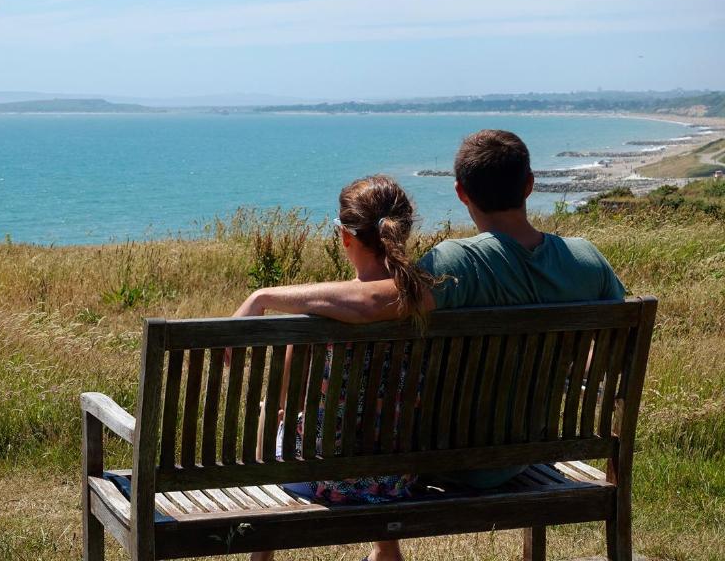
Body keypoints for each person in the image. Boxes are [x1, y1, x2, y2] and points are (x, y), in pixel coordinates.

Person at [235, 130, 626, 561]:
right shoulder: (588, 260)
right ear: (530, 184)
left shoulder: (459, 263)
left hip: (457, 463)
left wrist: (265, 295)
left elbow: (370, 302)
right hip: (534, 451)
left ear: (460, 193)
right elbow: (610, 357)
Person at [240, 175, 434, 561]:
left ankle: (261, 554)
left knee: (269, 410)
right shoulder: (427, 300)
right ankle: (385, 552)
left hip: (324, 475)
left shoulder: (321, 319)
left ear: (345, 237)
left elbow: (284, 399)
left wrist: (261, 295)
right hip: (399, 474)